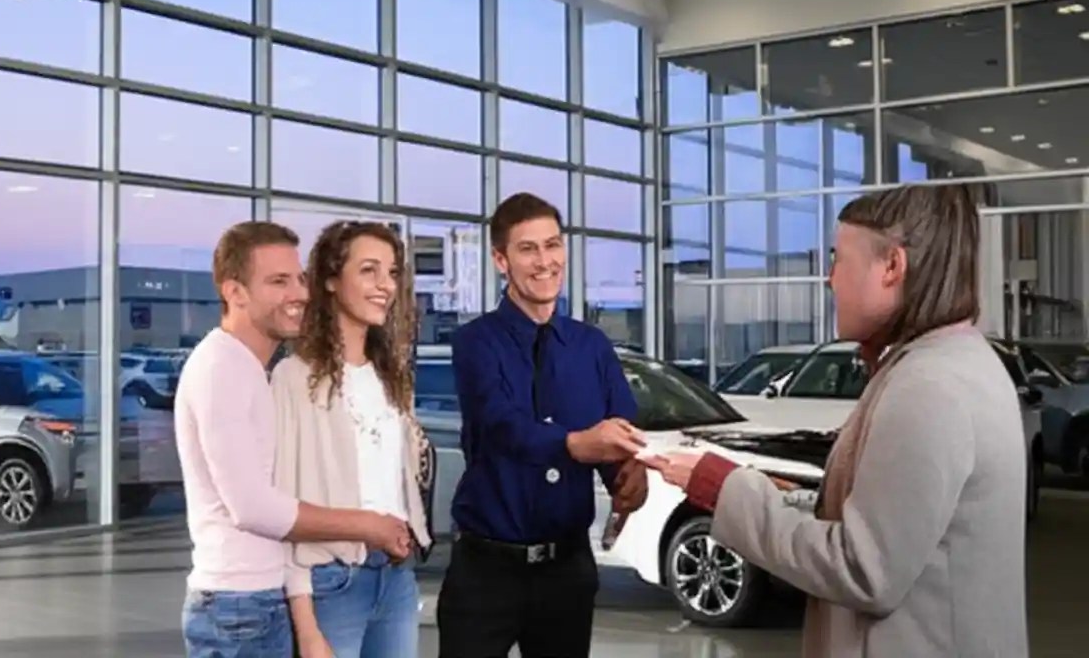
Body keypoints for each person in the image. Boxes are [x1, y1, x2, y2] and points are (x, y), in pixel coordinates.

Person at [642, 183, 1029, 658]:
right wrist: (789, 498)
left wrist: (727, 491)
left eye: (838, 260)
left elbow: (864, 569)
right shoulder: (956, 364)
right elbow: (896, 527)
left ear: (892, 267)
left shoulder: (929, 387)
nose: (829, 279)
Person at [174, 221, 414, 658]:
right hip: (243, 605)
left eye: (298, 279)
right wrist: (370, 525)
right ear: (235, 292)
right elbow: (255, 507)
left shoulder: (245, 367)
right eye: (278, 281)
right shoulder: (226, 369)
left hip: (264, 599)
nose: (298, 294)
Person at [436, 192, 650, 658]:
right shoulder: (476, 343)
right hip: (485, 572)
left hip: (567, 572)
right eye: (527, 249)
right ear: (500, 259)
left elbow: (620, 433)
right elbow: (501, 425)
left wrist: (631, 477)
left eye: (552, 246)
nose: (544, 261)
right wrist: (575, 444)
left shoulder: (592, 346)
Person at [270, 220, 433, 658]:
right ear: (329, 280)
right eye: (369, 270)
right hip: (329, 582)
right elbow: (282, 509)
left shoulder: (391, 376)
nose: (385, 285)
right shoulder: (294, 379)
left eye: (393, 272)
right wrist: (305, 626)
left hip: (395, 580)